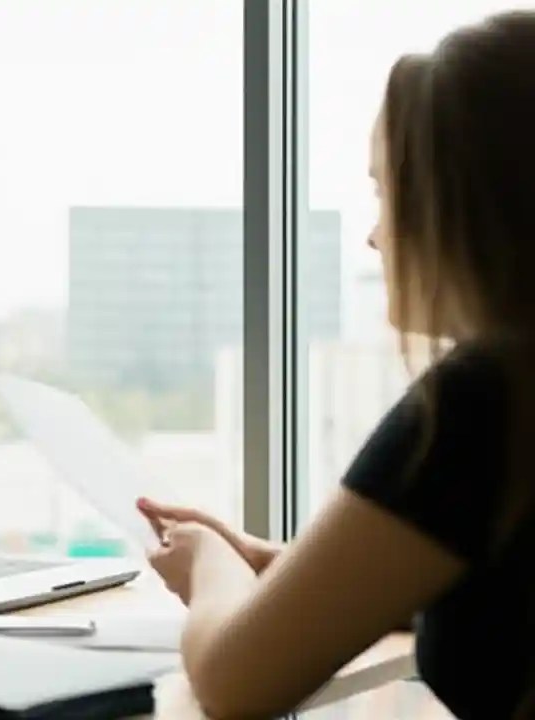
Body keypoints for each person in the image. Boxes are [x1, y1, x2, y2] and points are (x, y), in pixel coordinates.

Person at [138, 11, 535, 719]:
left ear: (463, 202)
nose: (375, 236)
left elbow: (232, 686)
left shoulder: (483, 402)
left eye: (387, 193)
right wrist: (274, 566)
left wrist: (208, 565)